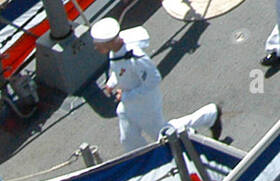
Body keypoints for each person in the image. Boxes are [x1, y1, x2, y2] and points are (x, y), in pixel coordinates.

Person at [92, 17, 221, 153]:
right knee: (129, 140)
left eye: (98, 44)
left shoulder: (136, 58)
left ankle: (210, 114)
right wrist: (112, 82)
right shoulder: (115, 52)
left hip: (145, 106)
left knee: (165, 133)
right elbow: (119, 69)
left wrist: (127, 95)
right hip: (129, 105)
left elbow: (153, 80)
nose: (96, 47)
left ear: (110, 42)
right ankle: (144, 162)